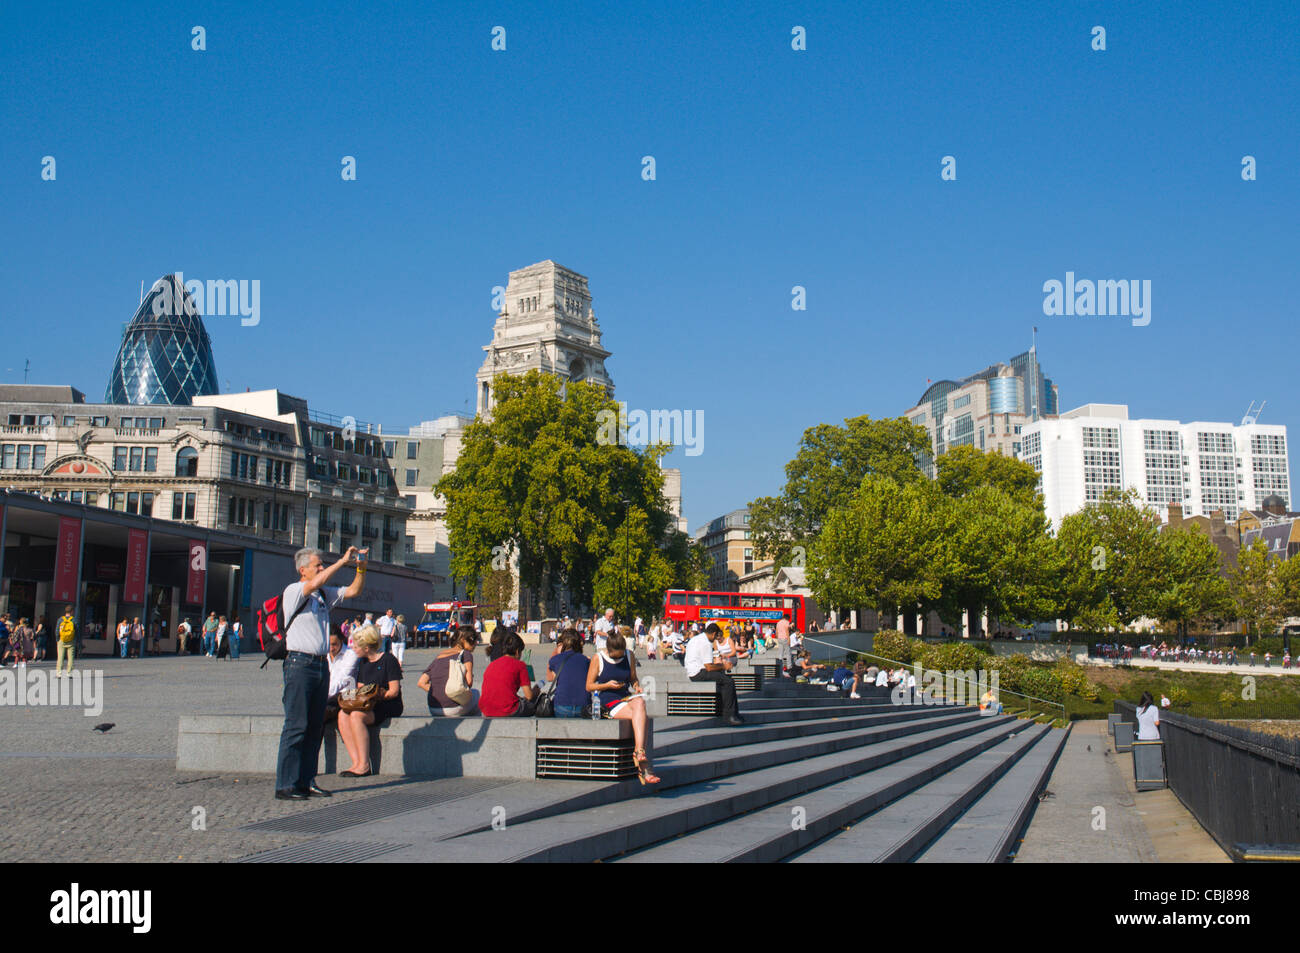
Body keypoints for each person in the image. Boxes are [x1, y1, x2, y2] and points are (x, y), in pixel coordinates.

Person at [274, 545, 367, 801]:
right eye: (318, 565)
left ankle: (306, 781)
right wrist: (342, 562)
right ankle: (285, 784)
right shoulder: (294, 591)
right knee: (296, 725)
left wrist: (360, 567)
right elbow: (319, 581)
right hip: (299, 664)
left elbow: (354, 590)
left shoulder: (323, 595)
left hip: (319, 664)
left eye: (322, 564)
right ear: (303, 570)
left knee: (314, 726)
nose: (322, 568)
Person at [585, 627, 659, 783]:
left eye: (620, 656)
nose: (618, 658)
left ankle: (639, 753)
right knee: (641, 717)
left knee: (639, 701)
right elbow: (589, 686)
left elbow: (633, 678)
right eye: (615, 656)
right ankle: (644, 767)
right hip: (607, 700)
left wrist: (637, 686)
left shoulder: (629, 655)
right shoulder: (598, 658)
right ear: (608, 650)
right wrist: (607, 685)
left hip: (625, 696)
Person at [336, 625, 402, 777]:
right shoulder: (363, 663)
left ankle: (364, 765)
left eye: (356, 646)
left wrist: (377, 695)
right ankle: (356, 762)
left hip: (387, 703)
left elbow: (394, 691)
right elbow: (360, 688)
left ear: (367, 647)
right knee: (342, 714)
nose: (353, 649)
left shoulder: (388, 659)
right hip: (368, 703)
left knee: (356, 716)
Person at [685, 622, 742, 725]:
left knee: (724, 678)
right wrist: (724, 666)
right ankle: (729, 716)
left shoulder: (697, 638)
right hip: (698, 673)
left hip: (692, 670)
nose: (715, 639)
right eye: (716, 637)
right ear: (714, 633)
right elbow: (709, 667)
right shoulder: (706, 643)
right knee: (728, 682)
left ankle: (735, 713)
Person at [419, 627, 479, 716]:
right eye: (473, 640)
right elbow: (469, 682)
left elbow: (421, 683)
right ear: (463, 640)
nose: (475, 644)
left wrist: (441, 690)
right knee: (478, 694)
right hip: (453, 707)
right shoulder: (465, 654)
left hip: (433, 707)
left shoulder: (439, 656)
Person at [480, 631, 538, 717]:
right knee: (534, 704)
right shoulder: (520, 665)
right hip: (508, 710)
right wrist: (536, 691)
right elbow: (529, 696)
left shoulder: (492, 664)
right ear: (517, 652)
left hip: (486, 709)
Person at [546, 629, 590, 718]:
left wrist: (555, 651)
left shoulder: (555, 659)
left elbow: (550, 678)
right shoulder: (586, 660)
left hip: (562, 706)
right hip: (583, 706)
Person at [326, 631, 359, 725]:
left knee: (319, 712)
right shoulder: (324, 654)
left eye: (334, 644)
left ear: (341, 640)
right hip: (328, 696)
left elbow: (342, 680)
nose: (331, 648)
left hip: (346, 696)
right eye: (329, 644)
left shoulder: (351, 654)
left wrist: (322, 696)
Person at [55, 606, 76, 677]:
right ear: (72, 611)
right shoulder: (74, 620)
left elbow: (57, 630)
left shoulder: (60, 620)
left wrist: (57, 639)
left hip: (62, 640)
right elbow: (77, 631)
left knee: (60, 657)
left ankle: (59, 673)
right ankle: (69, 673)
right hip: (71, 640)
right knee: (71, 657)